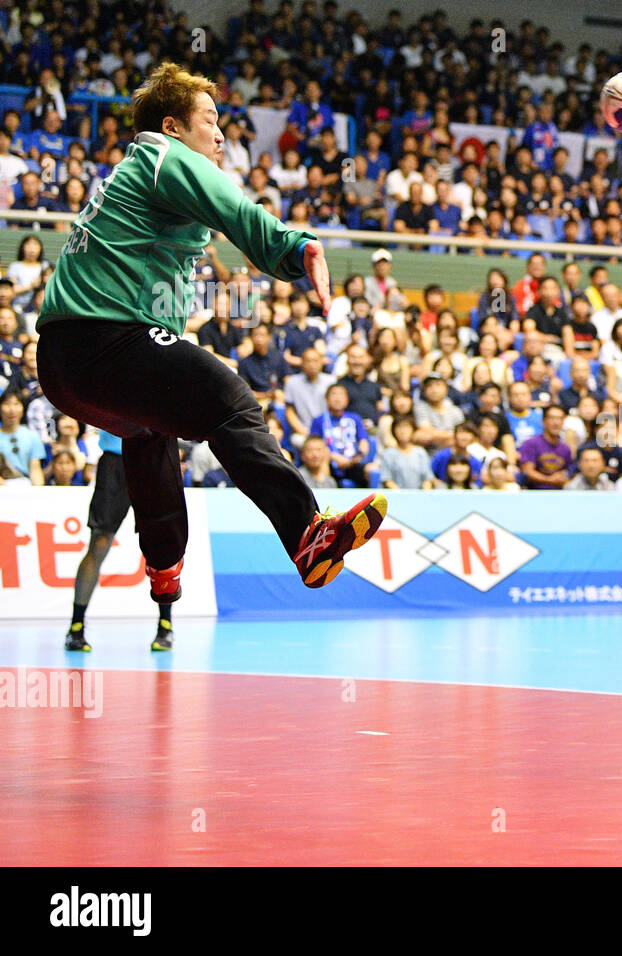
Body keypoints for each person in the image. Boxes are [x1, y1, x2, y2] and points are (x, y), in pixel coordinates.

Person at [36, 64, 387, 603]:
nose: (221, 134)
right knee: (230, 399)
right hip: (101, 342)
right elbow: (237, 210)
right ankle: (307, 534)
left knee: (150, 429)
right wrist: (295, 248)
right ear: (173, 127)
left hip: (67, 366)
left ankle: (163, 563)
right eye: (209, 120)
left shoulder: (142, 183)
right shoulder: (161, 156)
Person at [64, 430, 175, 652]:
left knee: (159, 546)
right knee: (99, 542)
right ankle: (76, 627)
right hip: (116, 461)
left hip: (153, 461)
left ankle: (165, 626)